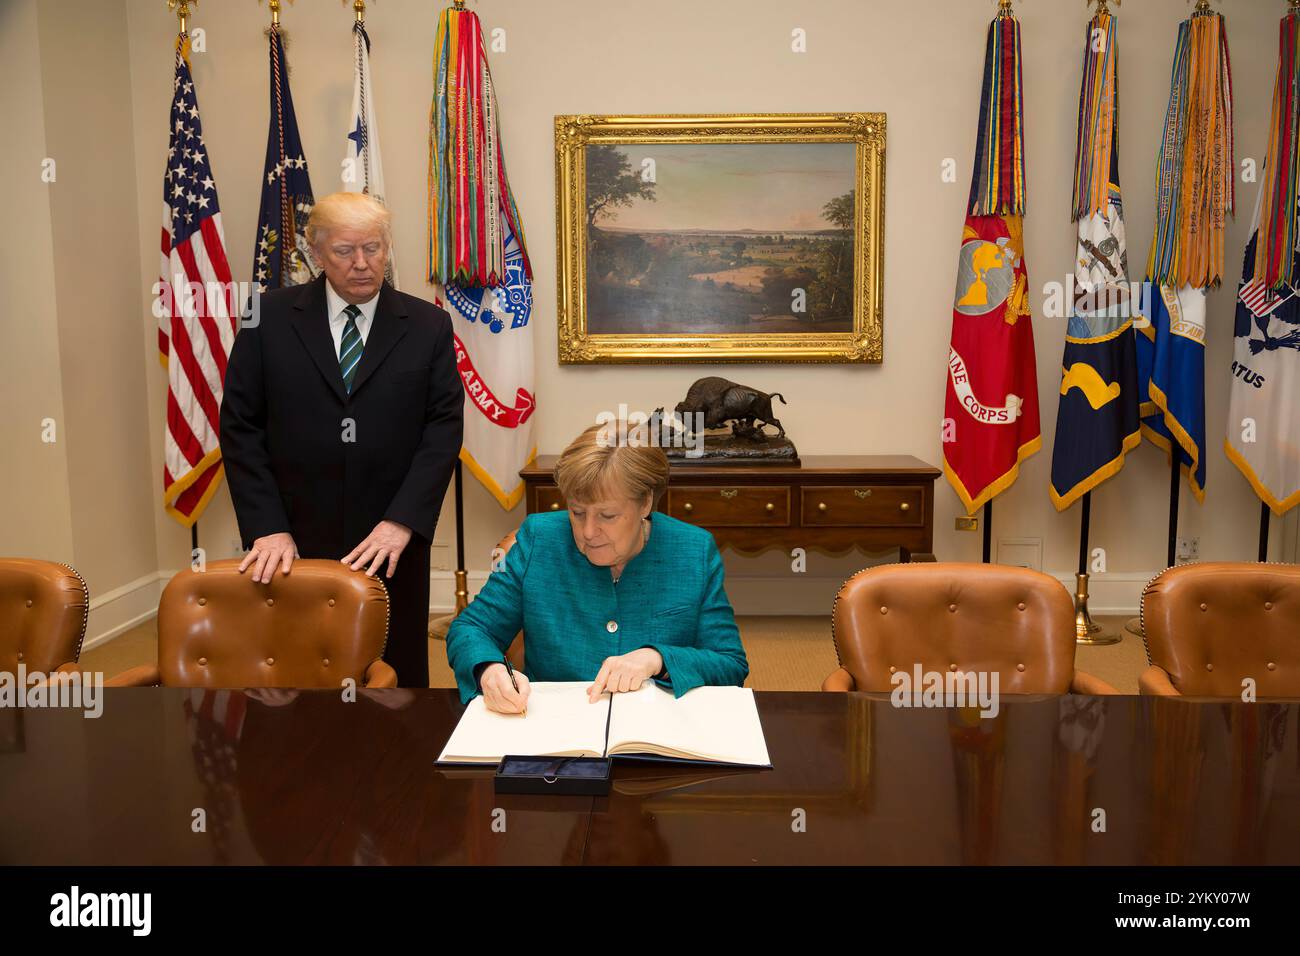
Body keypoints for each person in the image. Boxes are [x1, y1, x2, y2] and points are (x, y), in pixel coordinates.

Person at [219, 192, 463, 687]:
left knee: (396, 679)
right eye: (344, 252)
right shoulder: (265, 319)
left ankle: (399, 765)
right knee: (297, 675)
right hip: (292, 539)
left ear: (388, 247)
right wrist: (266, 525)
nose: (361, 265)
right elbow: (240, 428)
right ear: (315, 252)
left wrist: (403, 522)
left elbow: (443, 431)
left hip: (391, 541)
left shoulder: (427, 325)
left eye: (373, 249)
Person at [446, 423, 749, 712]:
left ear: (645, 503)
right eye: (577, 513)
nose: (588, 531)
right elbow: (471, 627)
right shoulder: (539, 539)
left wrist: (657, 658)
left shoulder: (693, 550)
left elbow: (730, 664)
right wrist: (489, 669)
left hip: (656, 731)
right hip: (551, 728)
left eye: (607, 515)